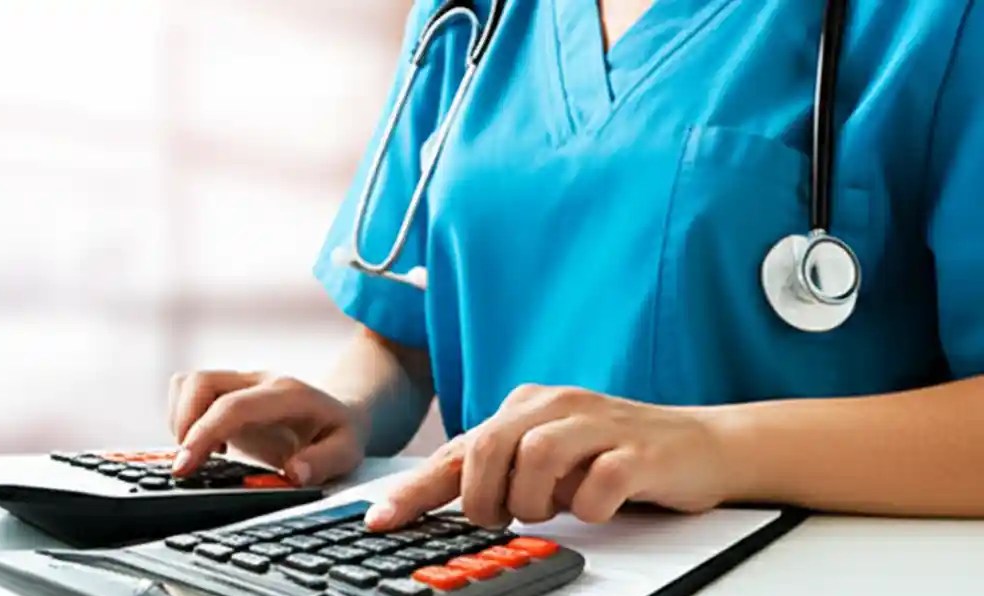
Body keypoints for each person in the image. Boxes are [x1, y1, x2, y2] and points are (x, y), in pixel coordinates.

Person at [169, 0, 984, 531]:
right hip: (492, 586)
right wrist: (348, 409)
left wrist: (713, 446)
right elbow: (405, 328)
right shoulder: (474, 14)